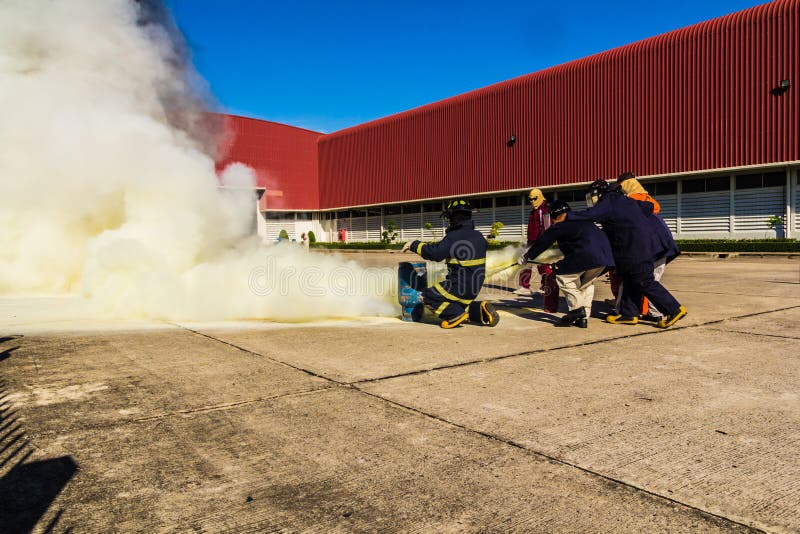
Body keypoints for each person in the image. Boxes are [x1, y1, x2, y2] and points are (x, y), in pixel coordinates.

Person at [567, 179, 687, 328]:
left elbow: (591, 215)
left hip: (636, 248)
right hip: (639, 246)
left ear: (598, 193)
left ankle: (674, 309)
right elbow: (648, 207)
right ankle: (629, 314)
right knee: (631, 278)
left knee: (644, 280)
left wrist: (567, 216)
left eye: (592, 196)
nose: (592, 200)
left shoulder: (608, 201)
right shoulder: (625, 200)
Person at [401, 199, 500, 329]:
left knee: (428, 297)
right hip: (475, 287)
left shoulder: (454, 236)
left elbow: (435, 254)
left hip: (458, 286)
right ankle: (479, 309)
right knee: (458, 304)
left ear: (453, 216)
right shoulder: (478, 236)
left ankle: (454, 315)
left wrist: (414, 244)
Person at [517, 200, 614, 328]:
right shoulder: (582, 220)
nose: (551, 220)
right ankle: (583, 318)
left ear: (556, 215)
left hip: (586, 256)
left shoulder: (562, 224)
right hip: (604, 258)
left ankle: (577, 310)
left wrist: (527, 256)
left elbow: (544, 241)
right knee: (585, 284)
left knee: (563, 277)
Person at [616, 172, 680, 321]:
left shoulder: (631, 203)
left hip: (649, 249)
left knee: (643, 281)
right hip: (663, 247)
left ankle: (647, 312)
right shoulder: (649, 201)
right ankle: (652, 313)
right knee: (652, 280)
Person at [520, 188, 559, 312]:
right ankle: (524, 286)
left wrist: (544, 242)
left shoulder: (544, 210)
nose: (532, 201)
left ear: (540, 197)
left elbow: (546, 228)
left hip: (541, 242)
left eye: (534, 198)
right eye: (530, 199)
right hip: (531, 241)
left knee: (544, 265)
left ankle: (545, 285)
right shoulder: (534, 210)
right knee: (525, 263)